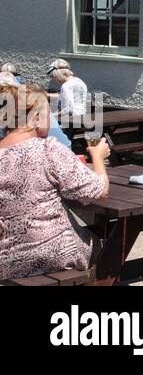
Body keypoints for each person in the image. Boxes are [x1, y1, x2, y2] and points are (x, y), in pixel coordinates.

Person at [0, 84, 110, 281]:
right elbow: (98, 191)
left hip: (5, 263)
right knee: (104, 246)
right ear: (35, 117)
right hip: (54, 253)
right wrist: (98, 158)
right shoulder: (48, 150)